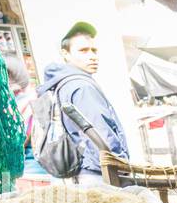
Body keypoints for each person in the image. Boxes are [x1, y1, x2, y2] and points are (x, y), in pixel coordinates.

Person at [39, 21, 129, 185]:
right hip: (100, 172)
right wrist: (121, 167)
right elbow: (102, 133)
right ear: (65, 54)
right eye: (83, 50)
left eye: (94, 50)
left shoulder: (61, 84)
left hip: (82, 172)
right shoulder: (81, 87)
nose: (92, 56)